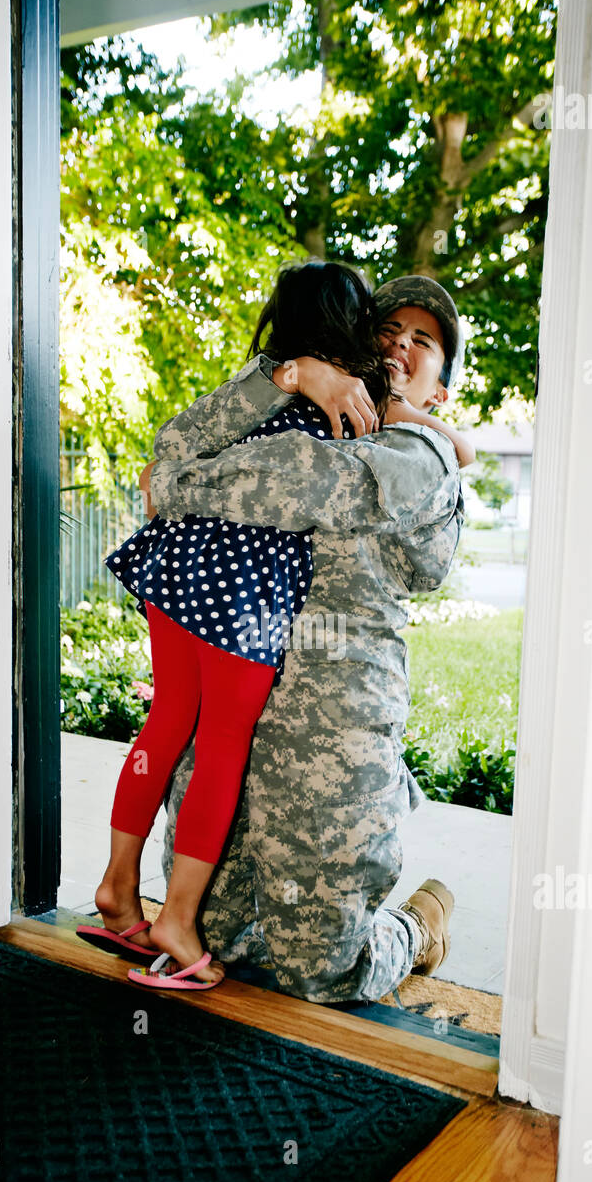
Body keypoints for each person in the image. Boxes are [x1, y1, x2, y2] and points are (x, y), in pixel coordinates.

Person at [132, 275, 473, 1004]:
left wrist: (178, 487)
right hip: (233, 715)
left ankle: (416, 926)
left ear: (439, 392)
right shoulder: (295, 400)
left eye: (426, 342)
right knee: (207, 936)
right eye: (391, 328)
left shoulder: (424, 456)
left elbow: (305, 483)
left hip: (331, 737)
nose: (402, 342)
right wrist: (287, 373)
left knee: (320, 970)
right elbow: (174, 440)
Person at [79, 261, 408, 988]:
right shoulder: (353, 396)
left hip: (181, 559)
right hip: (246, 585)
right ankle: (178, 919)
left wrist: (289, 374)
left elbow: (174, 442)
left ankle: (118, 886)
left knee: (166, 721)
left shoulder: (261, 382)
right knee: (224, 743)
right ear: (353, 324)